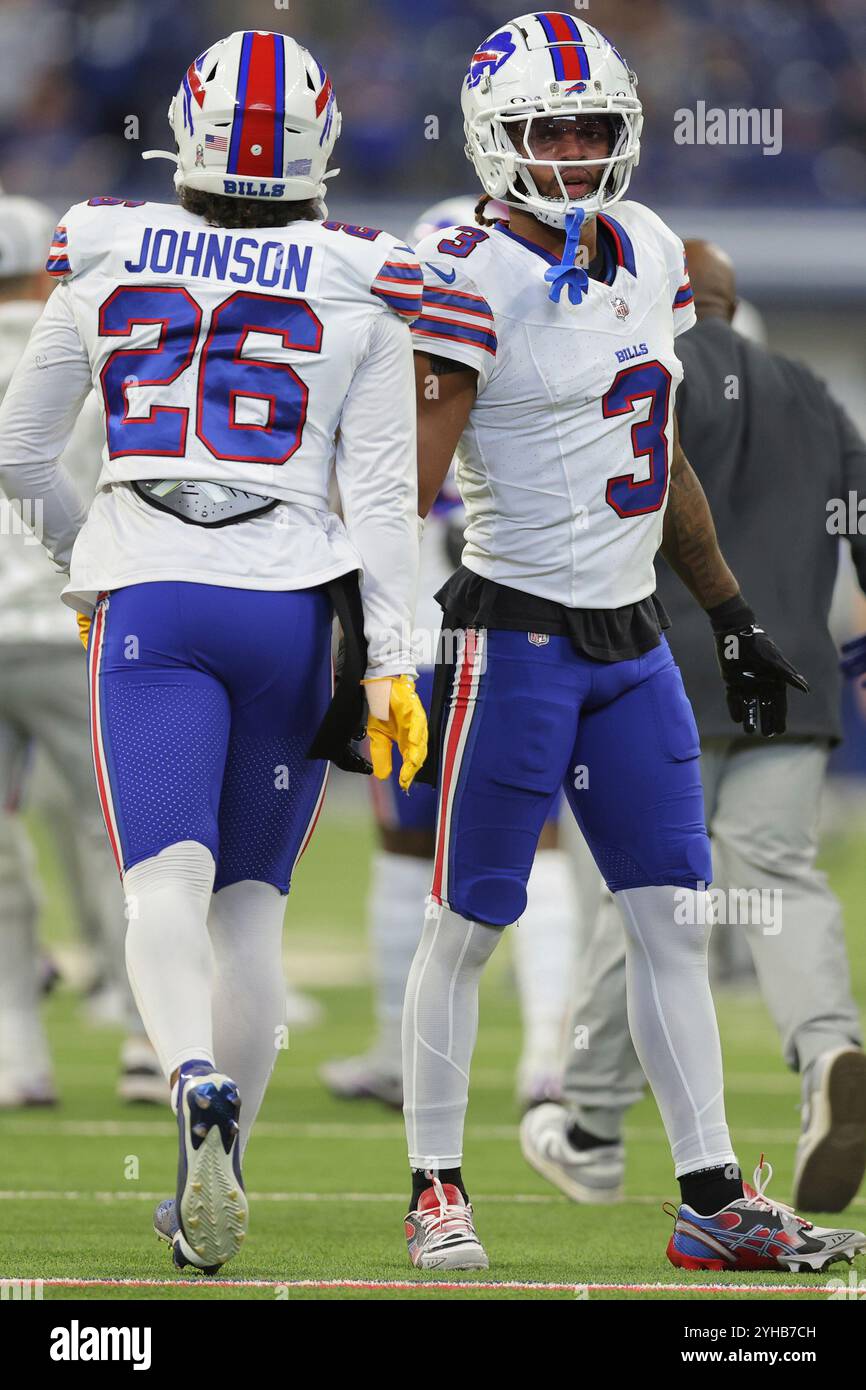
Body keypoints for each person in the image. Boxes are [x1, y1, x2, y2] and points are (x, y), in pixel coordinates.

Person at [397, 11, 865, 1273]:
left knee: (670, 920)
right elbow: (408, 481)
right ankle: (436, 1184)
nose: (575, 151)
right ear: (498, 139)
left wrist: (727, 611)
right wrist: (376, 639)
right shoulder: (465, 265)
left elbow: (651, 464)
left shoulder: (649, 244)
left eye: (595, 127)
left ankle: (710, 1194)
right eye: (550, 130)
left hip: (635, 644)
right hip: (514, 637)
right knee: (467, 920)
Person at [0, 29, 427, 1274]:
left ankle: (188, 1073)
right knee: (251, 910)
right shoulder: (366, 279)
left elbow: (20, 456)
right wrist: (393, 658)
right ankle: (218, 1182)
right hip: (292, 602)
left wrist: (93, 561)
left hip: (155, 590)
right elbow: (388, 497)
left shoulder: (100, 250)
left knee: (160, 886)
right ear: (323, 146)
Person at [522, 240, 866, 1214]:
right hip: (791, 685)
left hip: (659, 672)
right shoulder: (809, 390)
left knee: (644, 904)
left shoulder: (638, 372)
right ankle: (827, 1052)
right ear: (730, 300)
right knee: (781, 876)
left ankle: (588, 1123)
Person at [321, 196, 578, 1112]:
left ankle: (434, 1054)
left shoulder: (396, 370)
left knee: (409, 846)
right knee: (529, 844)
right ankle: (546, 1055)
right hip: (514, 628)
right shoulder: (541, 364)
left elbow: (369, 507)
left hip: (421, 633)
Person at [0, 194, 164, 1107]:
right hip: (73, 624)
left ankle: (16, 1057)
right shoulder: (98, 337)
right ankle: (148, 1038)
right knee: (118, 841)